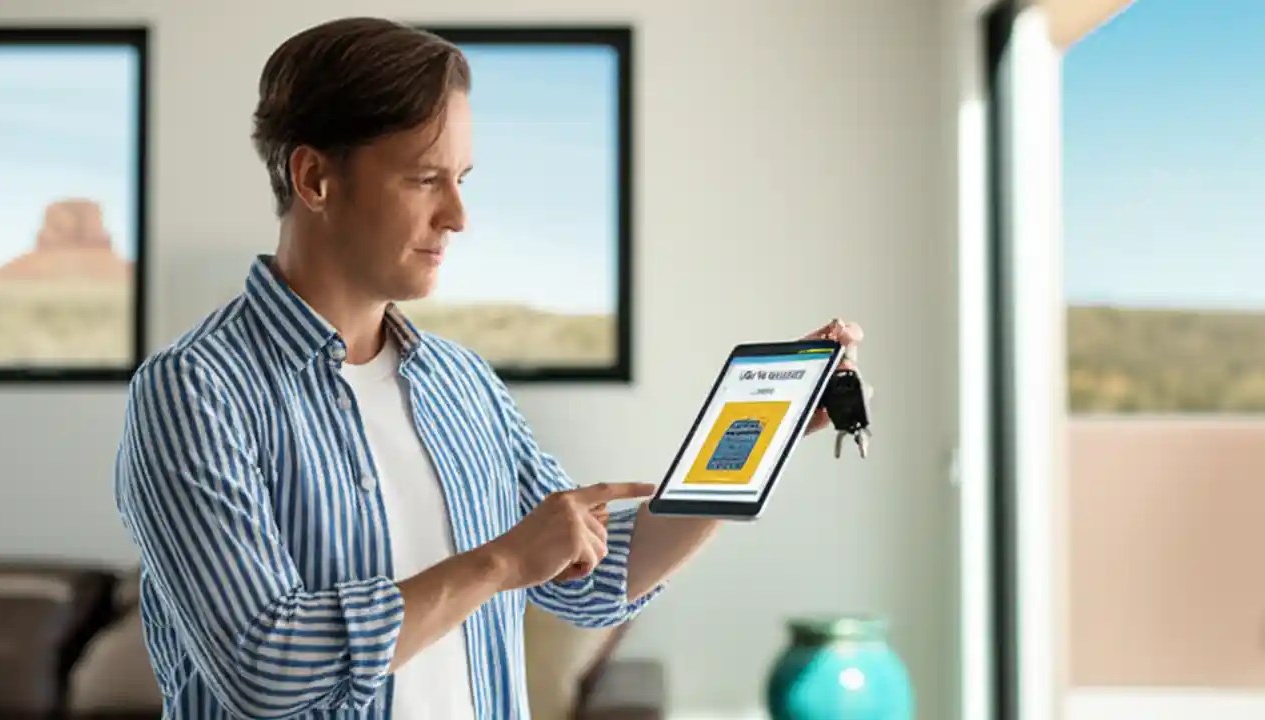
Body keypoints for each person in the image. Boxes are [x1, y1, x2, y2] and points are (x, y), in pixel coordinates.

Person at [113, 16, 864, 720]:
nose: (458, 217)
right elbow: (263, 662)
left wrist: (765, 436)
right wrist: (500, 562)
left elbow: (593, 578)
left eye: (462, 179)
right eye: (422, 178)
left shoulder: (460, 383)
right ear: (314, 179)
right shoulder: (193, 392)